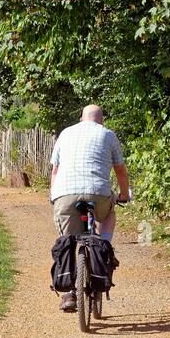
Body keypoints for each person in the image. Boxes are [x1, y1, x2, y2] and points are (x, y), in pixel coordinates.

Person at [50, 105, 131, 311]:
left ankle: (69, 293)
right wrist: (123, 195)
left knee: (67, 239)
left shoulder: (65, 133)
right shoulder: (108, 135)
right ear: (101, 120)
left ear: (80, 118)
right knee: (109, 213)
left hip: (65, 194)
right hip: (98, 193)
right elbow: (120, 170)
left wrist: (54, 195)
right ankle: (103, 246)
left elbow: (55, 170)